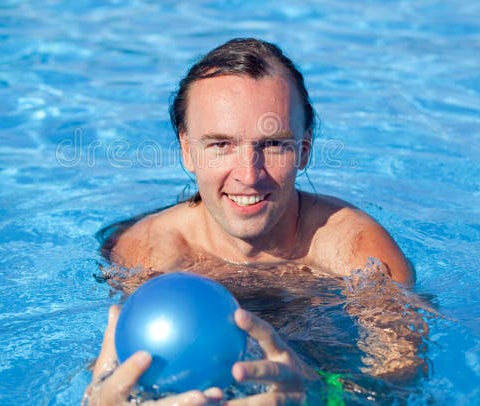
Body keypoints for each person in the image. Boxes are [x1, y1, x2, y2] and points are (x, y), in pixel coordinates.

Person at [84, 38, 416, 405]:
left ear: (303, 151)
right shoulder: (148, 256)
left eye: (273, 144)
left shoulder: (357, 253)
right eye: (220, 144)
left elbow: (400, 386)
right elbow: (115, 370)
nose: (248, 175)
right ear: (187, 151)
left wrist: (318, 391)